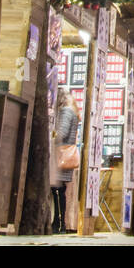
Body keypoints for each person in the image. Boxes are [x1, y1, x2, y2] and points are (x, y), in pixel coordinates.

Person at [51, 88, 80, 233]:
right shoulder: (73, 111)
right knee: (60, 190)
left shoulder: (65, 112)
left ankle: (59, 223)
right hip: (66, 154)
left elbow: (61, 133)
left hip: (61, 154)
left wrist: (50, 135)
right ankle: (60, 223)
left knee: (57, 190)